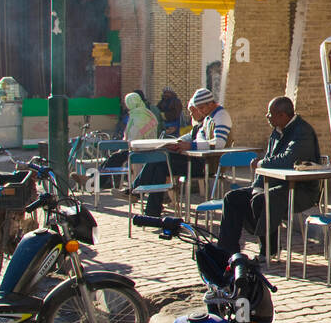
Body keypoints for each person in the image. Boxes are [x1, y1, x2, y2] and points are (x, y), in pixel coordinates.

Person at [217, 96, 320, 261]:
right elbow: (270, 160)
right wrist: (256, 185)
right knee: (233, 198)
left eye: (270, 114)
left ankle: (269, 249)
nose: (267, 117)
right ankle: (226, 251)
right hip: (273, 183)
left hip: (300, 190)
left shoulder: (302, 132)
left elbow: (288, 161)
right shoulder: (277, 130)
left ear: (282, 115)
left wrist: (261, 163)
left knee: (262, 200)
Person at [131, 87, 233, 217]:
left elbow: (219, 143)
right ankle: (152, 211)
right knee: (161, 165)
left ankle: (134, 192)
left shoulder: (221, 116)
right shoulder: (207, 119)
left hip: (209, 165)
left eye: (202, 108)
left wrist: (190, 145)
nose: (200, 111)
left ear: (210, 103)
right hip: (199, 161)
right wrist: (179, 144)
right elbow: (198, 138)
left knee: (162, 159)